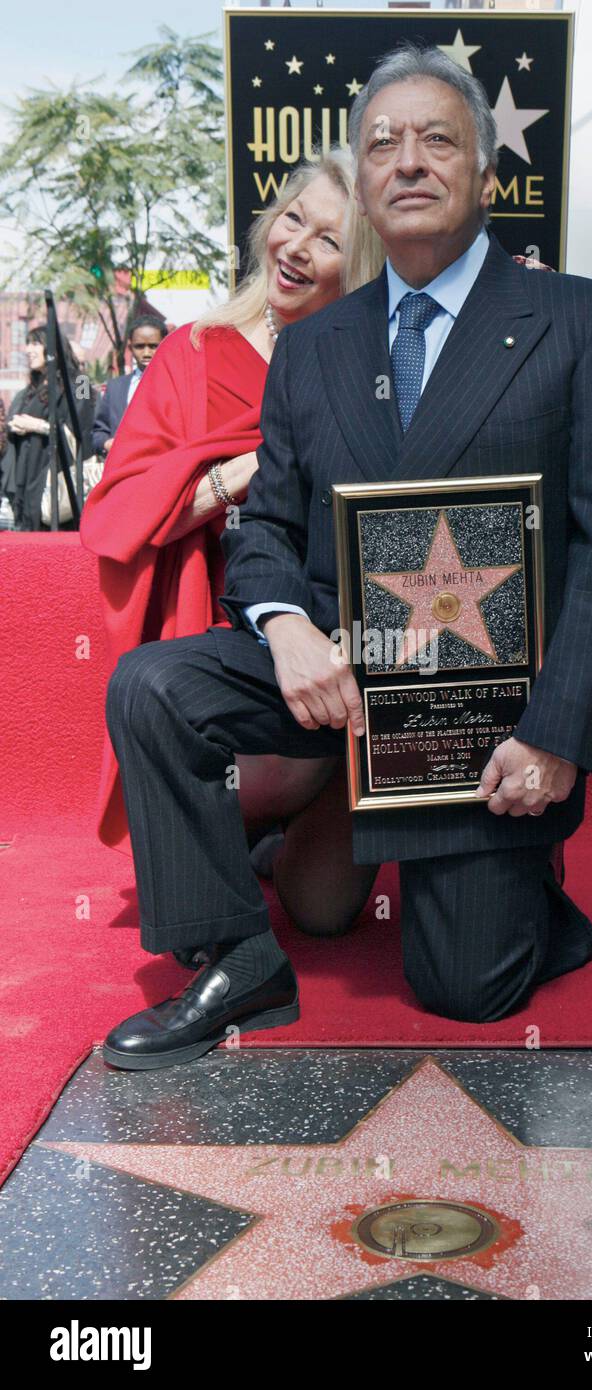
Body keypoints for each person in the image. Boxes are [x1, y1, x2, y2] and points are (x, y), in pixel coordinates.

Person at [101, 42, 592, 1070]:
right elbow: (264, 526)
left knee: (468, 992)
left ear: (487, 175)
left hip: (485, 717)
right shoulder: (315, 345)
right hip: (341, 677)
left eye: (436, 139)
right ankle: (235, 957)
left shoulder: (586, 323)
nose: (406, 161)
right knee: (153, 686)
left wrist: (557, 735)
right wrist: (286, 627)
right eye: (381, 145)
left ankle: (529, 887)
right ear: (361, 180)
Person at [80, 149, 388, 950]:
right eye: (292, 219)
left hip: (331, 632)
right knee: (201, 905)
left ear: (355, 265)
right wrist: (239, 476)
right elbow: (118, 512)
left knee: (323, 916)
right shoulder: (189, 350)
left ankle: (320, 804)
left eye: (327, 239)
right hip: (212, 624)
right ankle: (237, 836)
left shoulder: (373, 369)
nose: (296, 246)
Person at [1, 327, 93, 531]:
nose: (28, 350)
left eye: (35, 343)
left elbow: (84, 427)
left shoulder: (82, 381)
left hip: (57, 476)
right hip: (26, 473)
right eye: (27, 343)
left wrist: (40, 426)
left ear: (53, 349)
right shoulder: (30, 388)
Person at [91, 315, 168, 457]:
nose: (146, 353)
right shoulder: (114, 388)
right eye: (139, 346)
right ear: (130, 347)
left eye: (153, 346)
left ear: (165, 344)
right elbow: (98, 431)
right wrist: (106, 443)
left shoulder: (176, 385)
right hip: (122, 467)